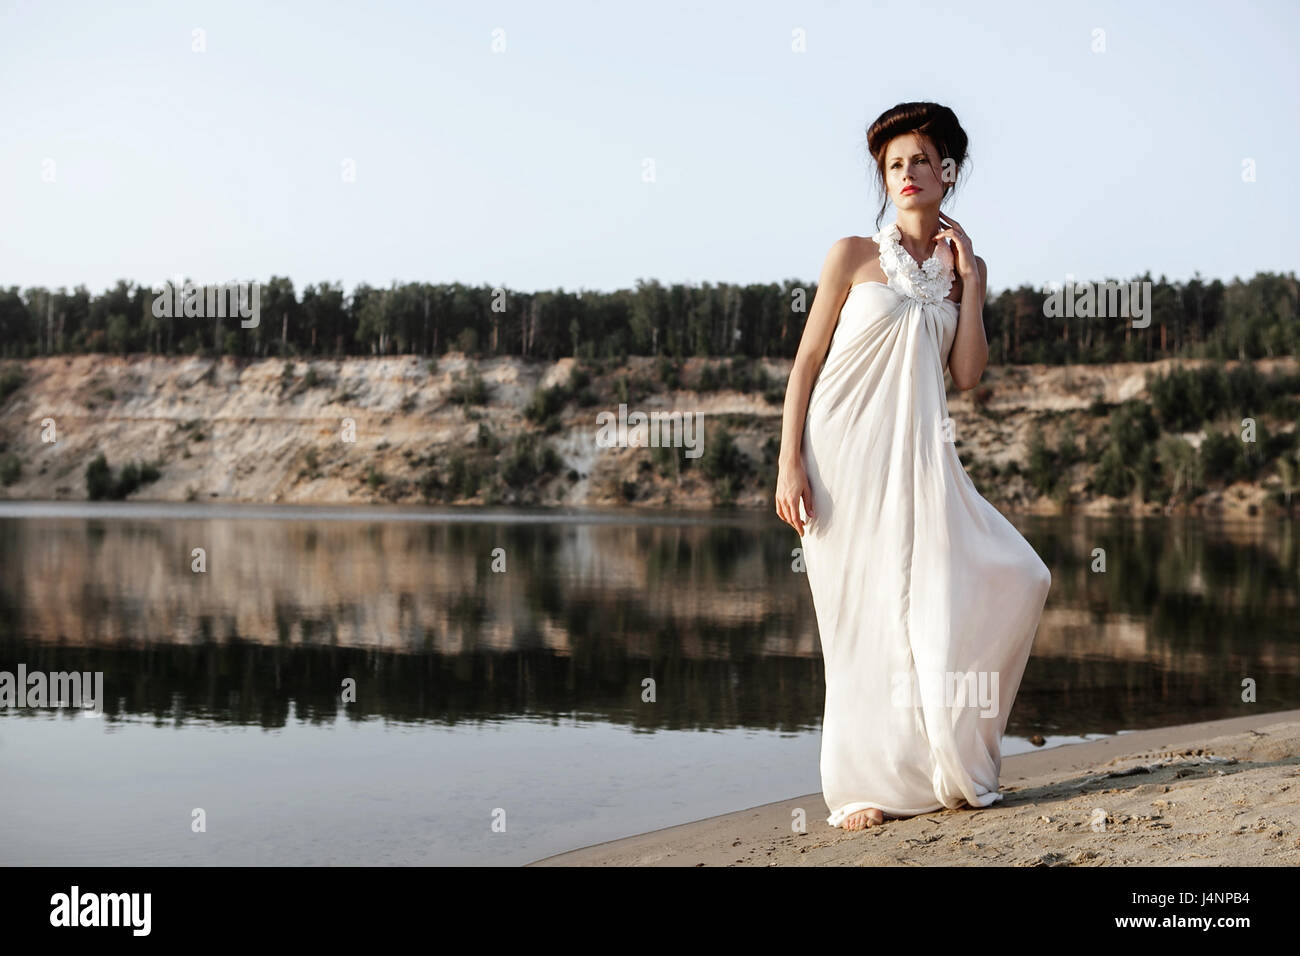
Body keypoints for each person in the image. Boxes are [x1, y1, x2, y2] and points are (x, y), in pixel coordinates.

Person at [774, 102, 1052, 831]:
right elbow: (805, 366)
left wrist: (974, 287)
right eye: (895, 164)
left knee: (1009, 580)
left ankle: (943, 762)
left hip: (924, 459)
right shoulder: (851, 257)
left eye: (922, 160)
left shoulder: (967, 270)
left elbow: (966, 376)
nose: (907, 173)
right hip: (839, 456)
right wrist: (787, 465)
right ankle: (862, 788)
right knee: (861, 618)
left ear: (948, 172)